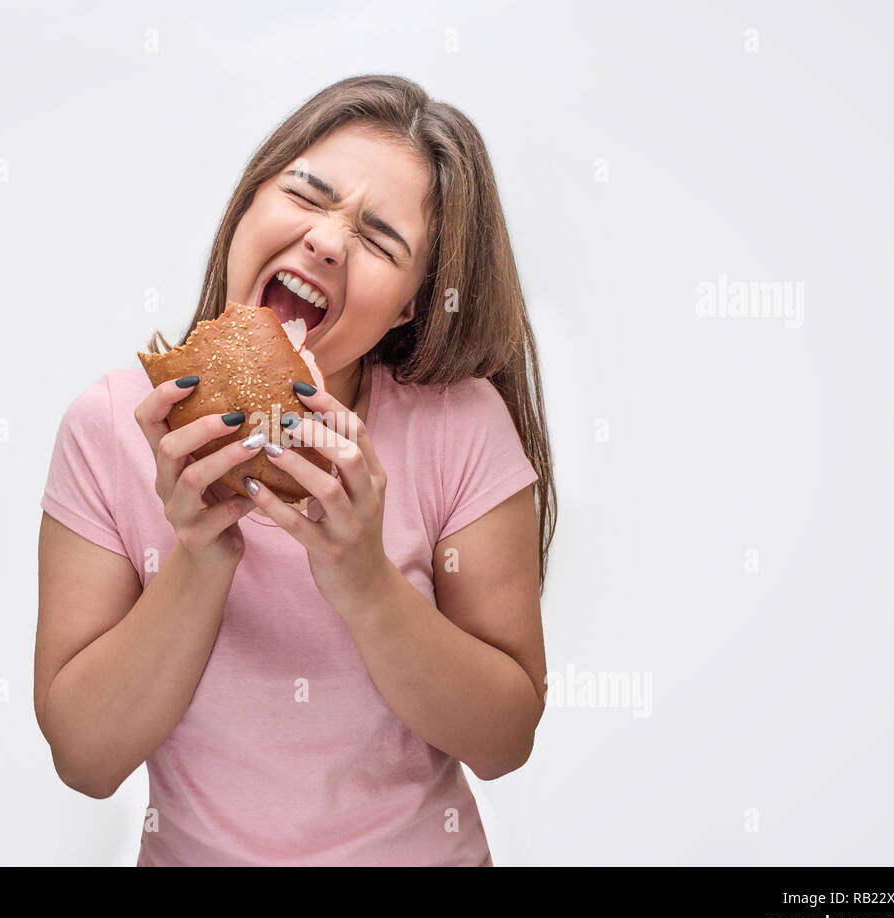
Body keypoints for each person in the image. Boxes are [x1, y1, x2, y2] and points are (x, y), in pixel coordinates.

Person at [34, 74, 556, 866]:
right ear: (249, 205)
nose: (327, 240)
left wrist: (364, 579)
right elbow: (85, 759)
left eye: (381, 241)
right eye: (306, 195)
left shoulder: (461, 426)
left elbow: (505, 740)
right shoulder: (108, 429)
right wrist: (201, 555)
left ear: (411, 304)